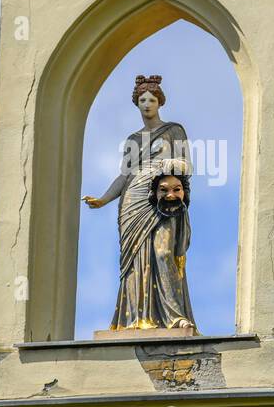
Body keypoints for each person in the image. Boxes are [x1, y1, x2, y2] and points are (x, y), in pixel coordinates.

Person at [83, 74, 196, 332]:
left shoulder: (174, 130)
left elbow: (186, 165)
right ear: (137, 103)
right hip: (133, 201)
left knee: (163, 252)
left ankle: (173, 316)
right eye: (142, 100)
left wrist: (170, 164)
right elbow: (124, 175)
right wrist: (103, 200)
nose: (147, 104)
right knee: (136, 259)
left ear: (160, 103)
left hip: (161, 197)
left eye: (152, 100)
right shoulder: (133, 140)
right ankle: (136, 317)